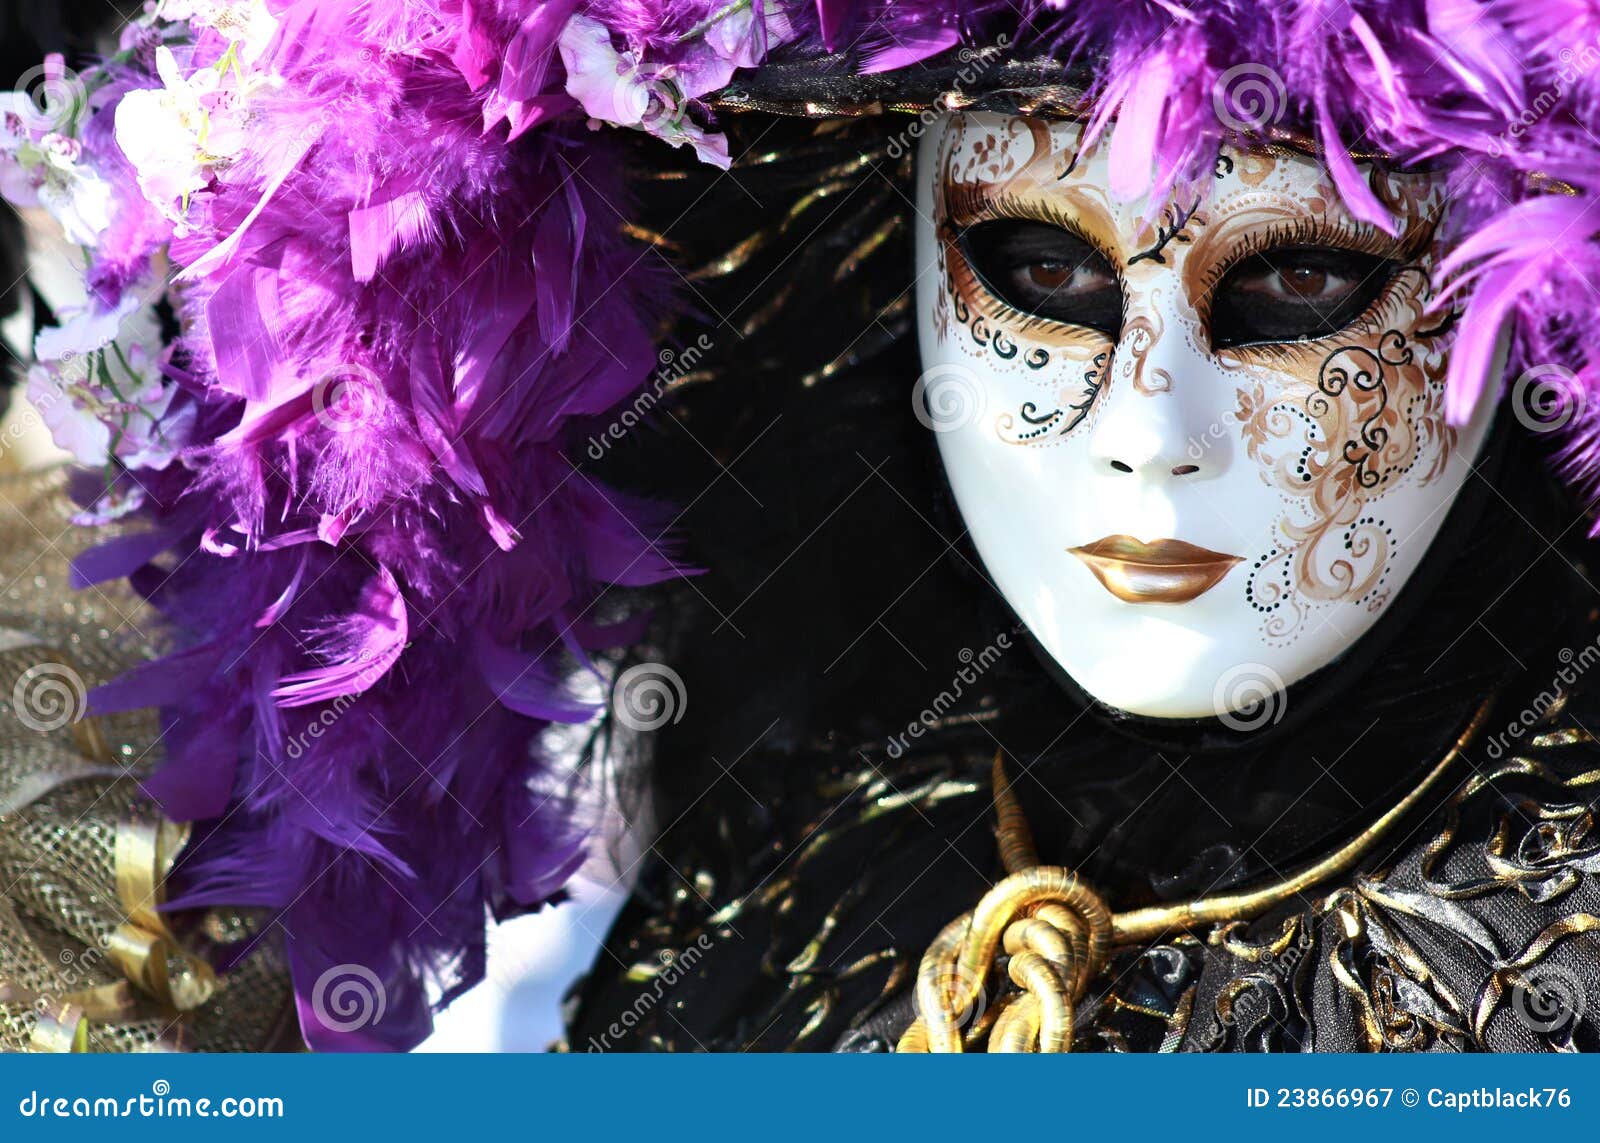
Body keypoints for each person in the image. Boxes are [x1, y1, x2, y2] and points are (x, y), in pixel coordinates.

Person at [2, 0, 1598, 1054]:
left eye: (1297, 281)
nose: (1145, 441)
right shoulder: (804, 837)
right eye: (1040, 273)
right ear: (907, 262)